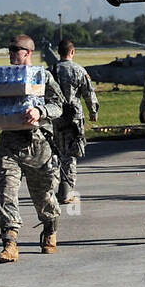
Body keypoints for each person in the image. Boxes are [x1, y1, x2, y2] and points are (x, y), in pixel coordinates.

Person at [0, 35, 64, 262]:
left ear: (28, 52)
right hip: (9, 143)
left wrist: (40, 111)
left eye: (15, 50)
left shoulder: (42, 76)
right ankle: (10, 243)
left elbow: (59, 105)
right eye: (9, 49)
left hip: (37, 145)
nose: (11, 54)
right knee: (6, 192)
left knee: (44, 198)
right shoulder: (4, 78)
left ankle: (49, 230)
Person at [51, 38, 99, 205]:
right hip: (74, 118)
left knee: (55, 153)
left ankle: (53, 188)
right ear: (72, 52)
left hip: (55, 116)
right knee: (71, 154)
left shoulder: (50, 70)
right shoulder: (79, 70)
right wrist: (93, 111)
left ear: (59, 52)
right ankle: (66, 190)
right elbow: (89, 93)